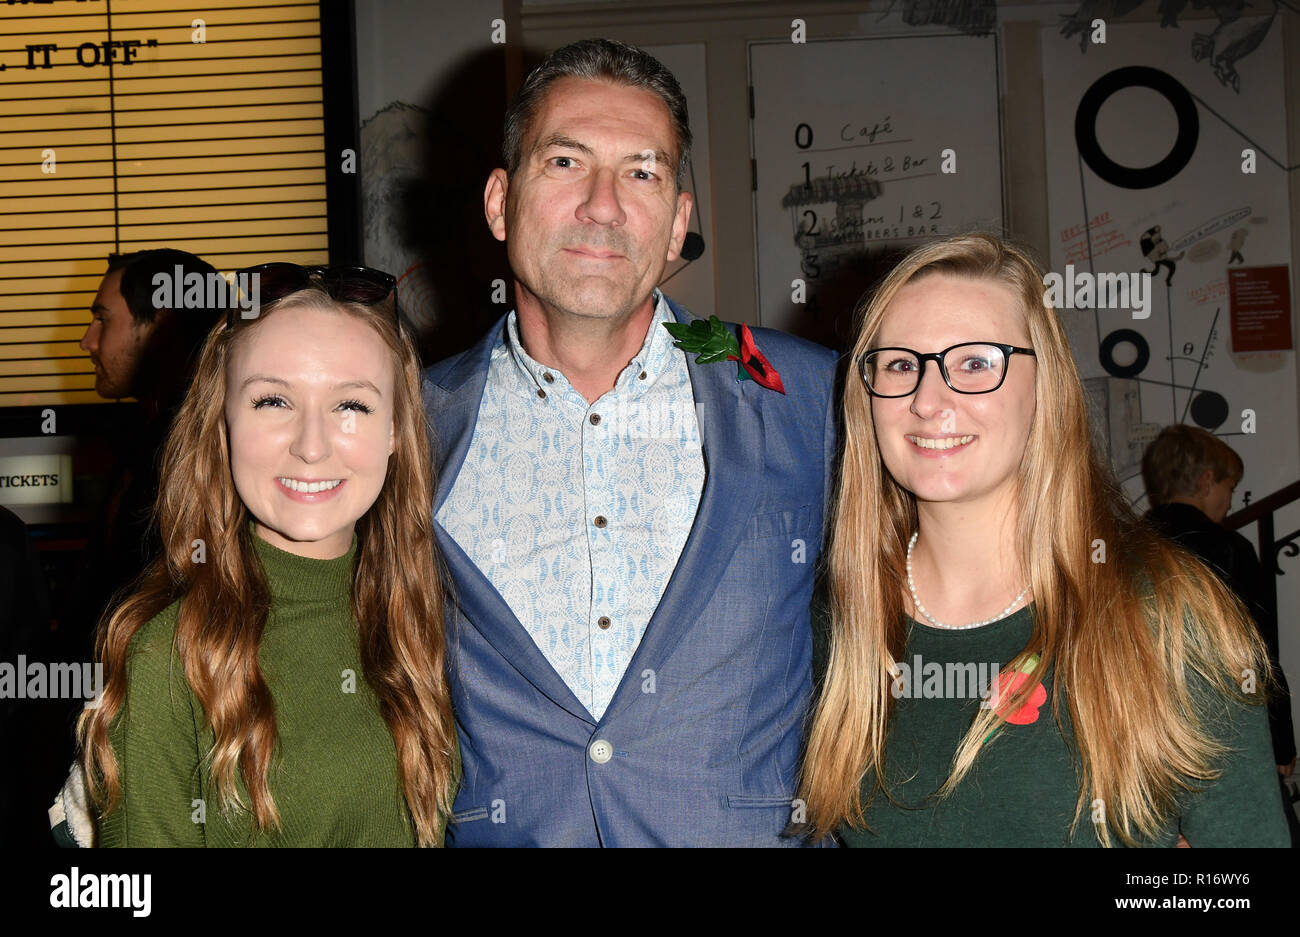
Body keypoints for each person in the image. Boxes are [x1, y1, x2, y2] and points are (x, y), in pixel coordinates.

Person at [422, 39, 837, 846]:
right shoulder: (406, 420)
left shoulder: (808, 395)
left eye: (643, 172)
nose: (604, 206)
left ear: (680, 222)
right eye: (567, 162)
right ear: (500, 202)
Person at [799, 232, 1290, 847]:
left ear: (1045, 388)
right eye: (900, 363)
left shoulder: (1164, 616)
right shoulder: (837, 621)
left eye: (975, 362)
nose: (929, 399)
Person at [77, 265, 457, 846]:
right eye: (273, 400)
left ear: (395, 432)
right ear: (221, 424)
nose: (310, 445)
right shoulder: (166, 656)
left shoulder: (432, 618)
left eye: (351, 405)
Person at [1142, 426, 1297, 791]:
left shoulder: (1128, 546)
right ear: (1207, 480)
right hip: (1221, 725)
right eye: (1229, 488)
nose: (1229, 502)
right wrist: (1281, 739)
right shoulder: (1229, 550)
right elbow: (1259, 653)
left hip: (1151, 726)